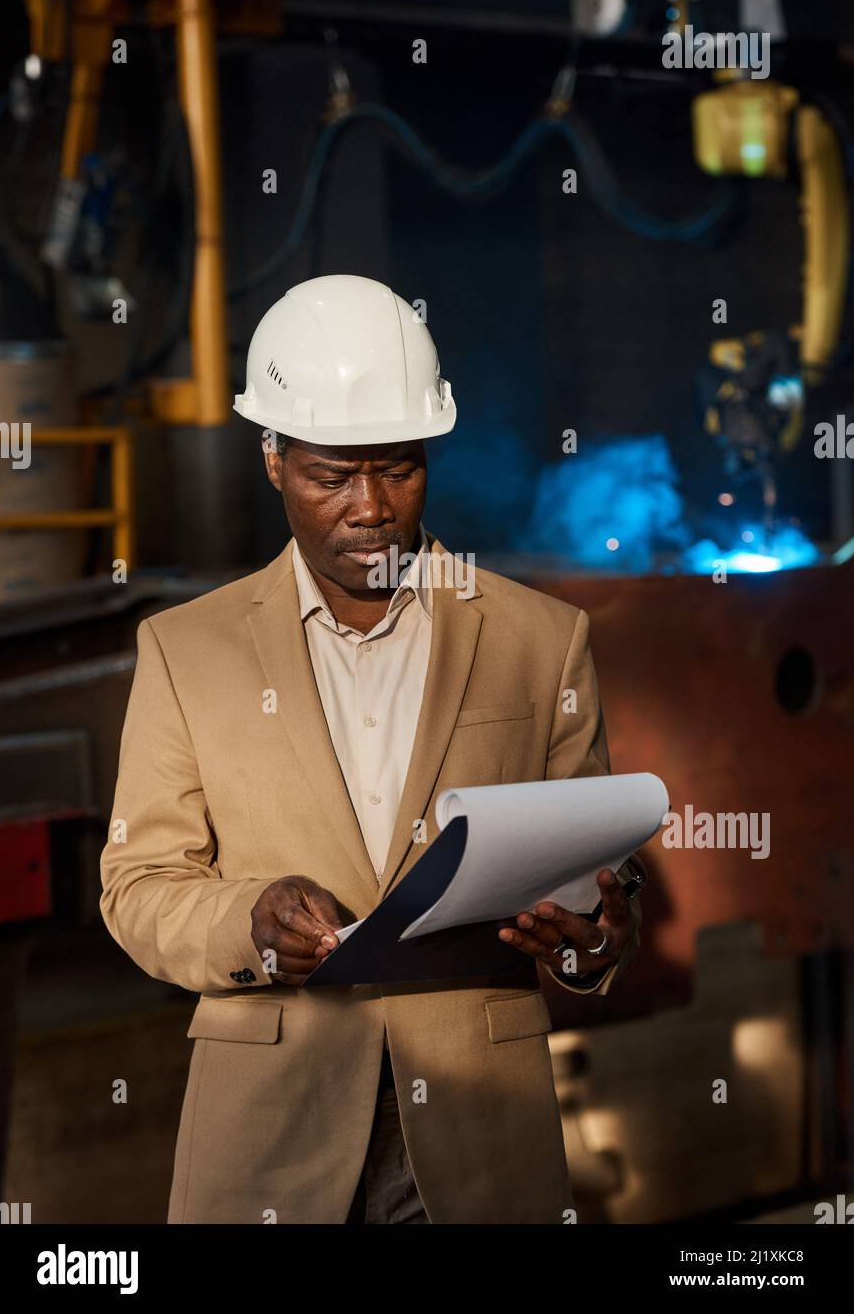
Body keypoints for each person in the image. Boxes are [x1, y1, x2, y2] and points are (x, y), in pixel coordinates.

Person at [100, 274, 643, 1224]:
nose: (369, 507)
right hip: (270, 1131)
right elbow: (139, 887)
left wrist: (594, 940)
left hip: (480, 1132)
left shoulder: (539, 639)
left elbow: (590, 874)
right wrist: (250, 921)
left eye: (397, 468)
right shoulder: (187, 651)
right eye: (331, 475)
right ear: (272, 460)